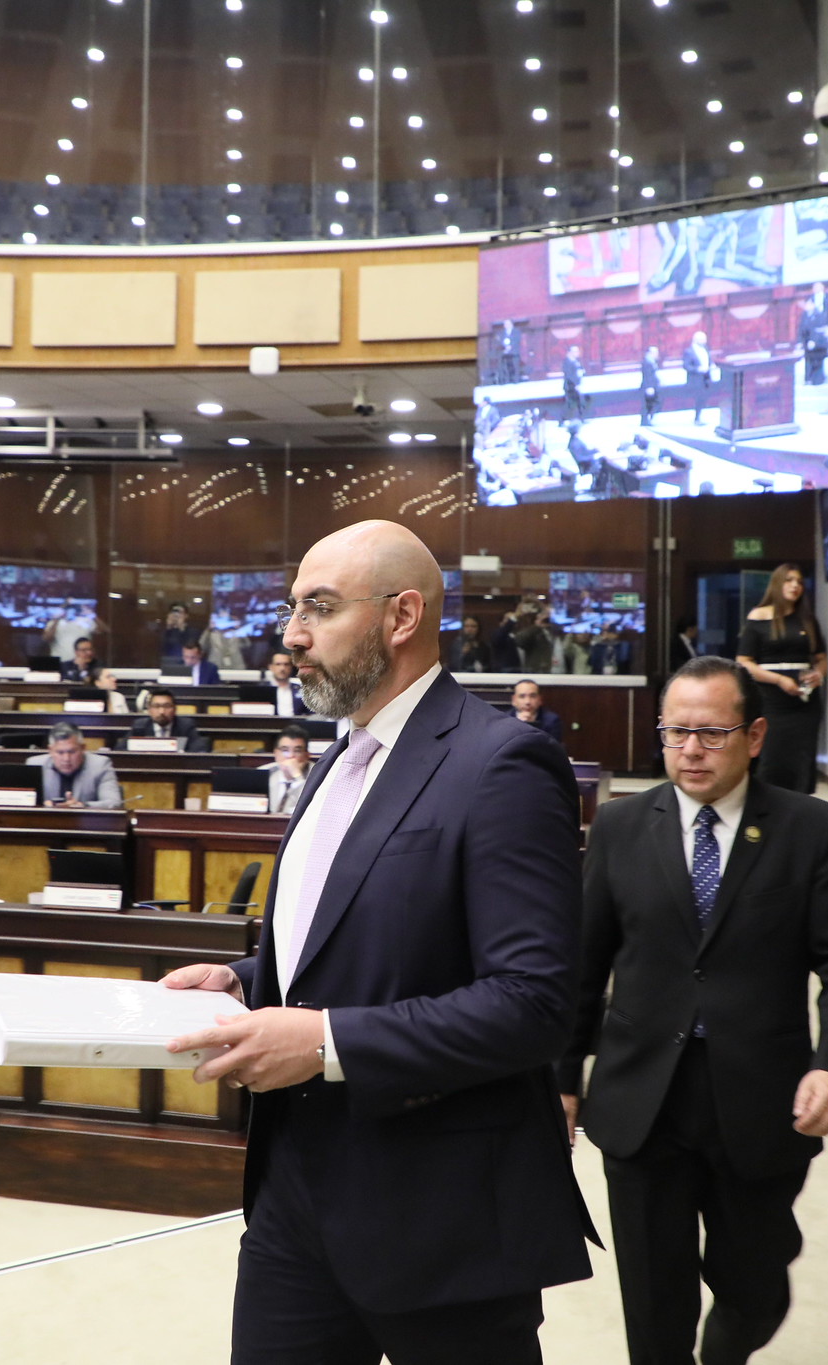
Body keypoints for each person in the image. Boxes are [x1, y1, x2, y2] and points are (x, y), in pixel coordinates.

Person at [160, 519, 594, 1363]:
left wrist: (321, 1039)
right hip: (293, 1194)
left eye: (317, 608)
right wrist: (251, 981)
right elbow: (355, 938)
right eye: (293, 609)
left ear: (401, 616)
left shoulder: (501, 762)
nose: (291, 636)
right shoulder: (336, 760)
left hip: (444, 1214)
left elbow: (534, 1003)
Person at [563, 655, 828, 1365]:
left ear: (755, 735)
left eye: (710, 732)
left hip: (761, 1099)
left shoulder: (811, 831)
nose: (691, 750)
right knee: (652, 1297)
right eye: (675, 733)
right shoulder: (618, 826)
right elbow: (582, 964)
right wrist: (561, 1074)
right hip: (642, 1097)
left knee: (752, 1284)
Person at [737, 564, 827, 795]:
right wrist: (778, 680)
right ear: (778, 584)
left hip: (805, 702)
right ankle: (768, 804)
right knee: (773, 755)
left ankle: (800, 804)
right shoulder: (758, 616)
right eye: (789, 580)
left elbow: (821, 658)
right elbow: (744, 662)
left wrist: (819, 675)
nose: (795, 586)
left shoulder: (807, 620)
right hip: (772, 700)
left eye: (799, 582)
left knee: (802, 757)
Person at [27, 722, 124, 809]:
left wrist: (82, 805)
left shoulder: (100, 765)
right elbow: (23, 801)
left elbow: (114, 803)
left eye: (72, 752)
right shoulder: (35, 765)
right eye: (60, 752)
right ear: (50, 750)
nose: (66, 759)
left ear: (83, 748)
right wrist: (42, 805)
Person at [118, 687, 211, 753]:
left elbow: (199, 750)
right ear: (149, 710)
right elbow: (120, 750)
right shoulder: (139, 726)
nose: (162, 711)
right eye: (156, 706)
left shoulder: (185, 726)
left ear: (174, 709)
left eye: (166, 706)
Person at [260, 723, 313, 815]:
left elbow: (310, 807)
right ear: (276, 754)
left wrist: (298, 776)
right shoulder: (263, 774)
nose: (290, 756)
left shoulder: (319, 775)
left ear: (307, 755)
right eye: (285, 750)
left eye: (297, 751)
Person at [511, 678, 565, 744]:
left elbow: (552, 751)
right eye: (522, 696)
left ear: (540, 699)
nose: (527, 702)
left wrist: (533, 726)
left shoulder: (552, 721)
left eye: (533, 696)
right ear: (514, 700)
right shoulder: (504, 720)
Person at [681, 331, 714, 424]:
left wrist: (711, 365)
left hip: (705, 379)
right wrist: (698, 369)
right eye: (703, 339)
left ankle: (700, 416)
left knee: (704, 398)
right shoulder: (689, 351)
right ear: (696, 340)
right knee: (698, 399)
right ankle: (697, 418)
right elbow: (686, 366)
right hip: (696, 380)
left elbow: (709, 360)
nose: (705, 341)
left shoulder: (706, 349)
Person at [266, 649, 309, 715]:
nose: (282, 668)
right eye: (278, 664)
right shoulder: (263, 690)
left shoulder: (302, 689)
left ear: (291, 666)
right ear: (271, 667)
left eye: (286, 664)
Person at [158, 602, 193, 668]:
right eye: (174, 612)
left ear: (186, 615)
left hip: (186, 665)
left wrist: (181, 629)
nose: (176, 615)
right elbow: (160, 648)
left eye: (180, 612)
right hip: (167, 664)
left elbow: (191, 647)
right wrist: (168, 628)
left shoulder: (192, 631)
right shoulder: (165, 631)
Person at [562, 342, 589, 423]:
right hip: (570, 386)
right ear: (570, 352)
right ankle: (562, 420)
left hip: (576, 386)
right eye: (575, 351)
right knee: (570, 405)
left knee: (580, 403)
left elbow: (580, 370)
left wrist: (582, 372)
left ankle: (582, 419)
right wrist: (575, 385)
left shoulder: (575, 361)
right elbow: (569, 375)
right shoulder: (567, 362)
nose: (577, 353)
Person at [639, 345, 663, 427]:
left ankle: (648, 419)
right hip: (649, 387)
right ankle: (645, 420)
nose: (657, 354)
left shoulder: (652, 361)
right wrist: (649, 387)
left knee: (654, 403)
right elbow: (648, 376)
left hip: (653, 386)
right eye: (656, 353)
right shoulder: (647, 362)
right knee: (649, 404)